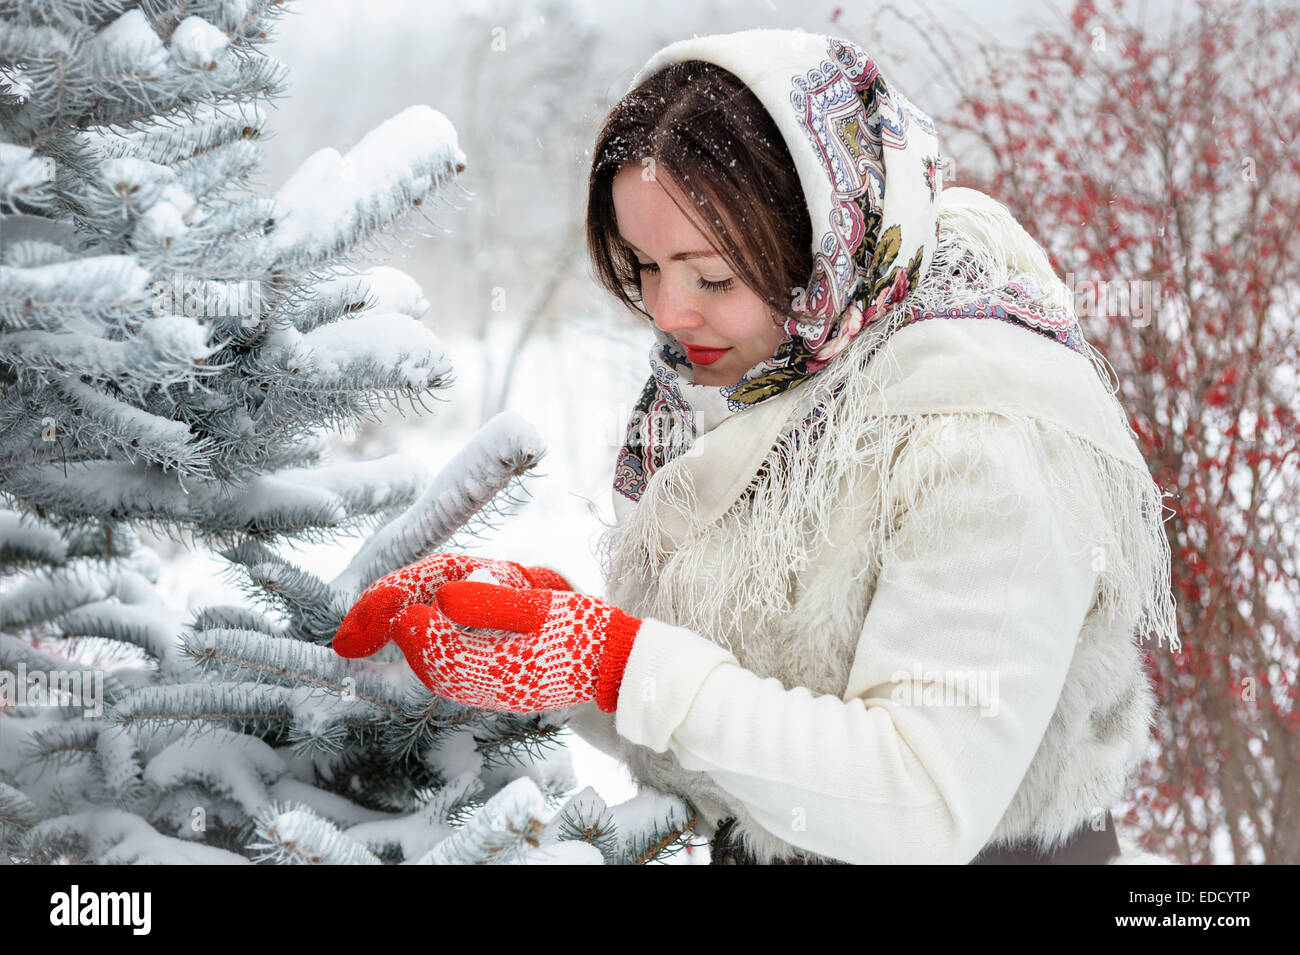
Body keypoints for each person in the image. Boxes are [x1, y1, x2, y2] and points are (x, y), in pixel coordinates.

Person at [333, 28, 1180, 865]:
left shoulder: (980, 432)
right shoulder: (771, 380)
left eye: (711, 276)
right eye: (643, 264)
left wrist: (614, 659)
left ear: (819, 237)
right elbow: (736, 724)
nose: (667, 312)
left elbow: (918, 804)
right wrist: (551, 642)